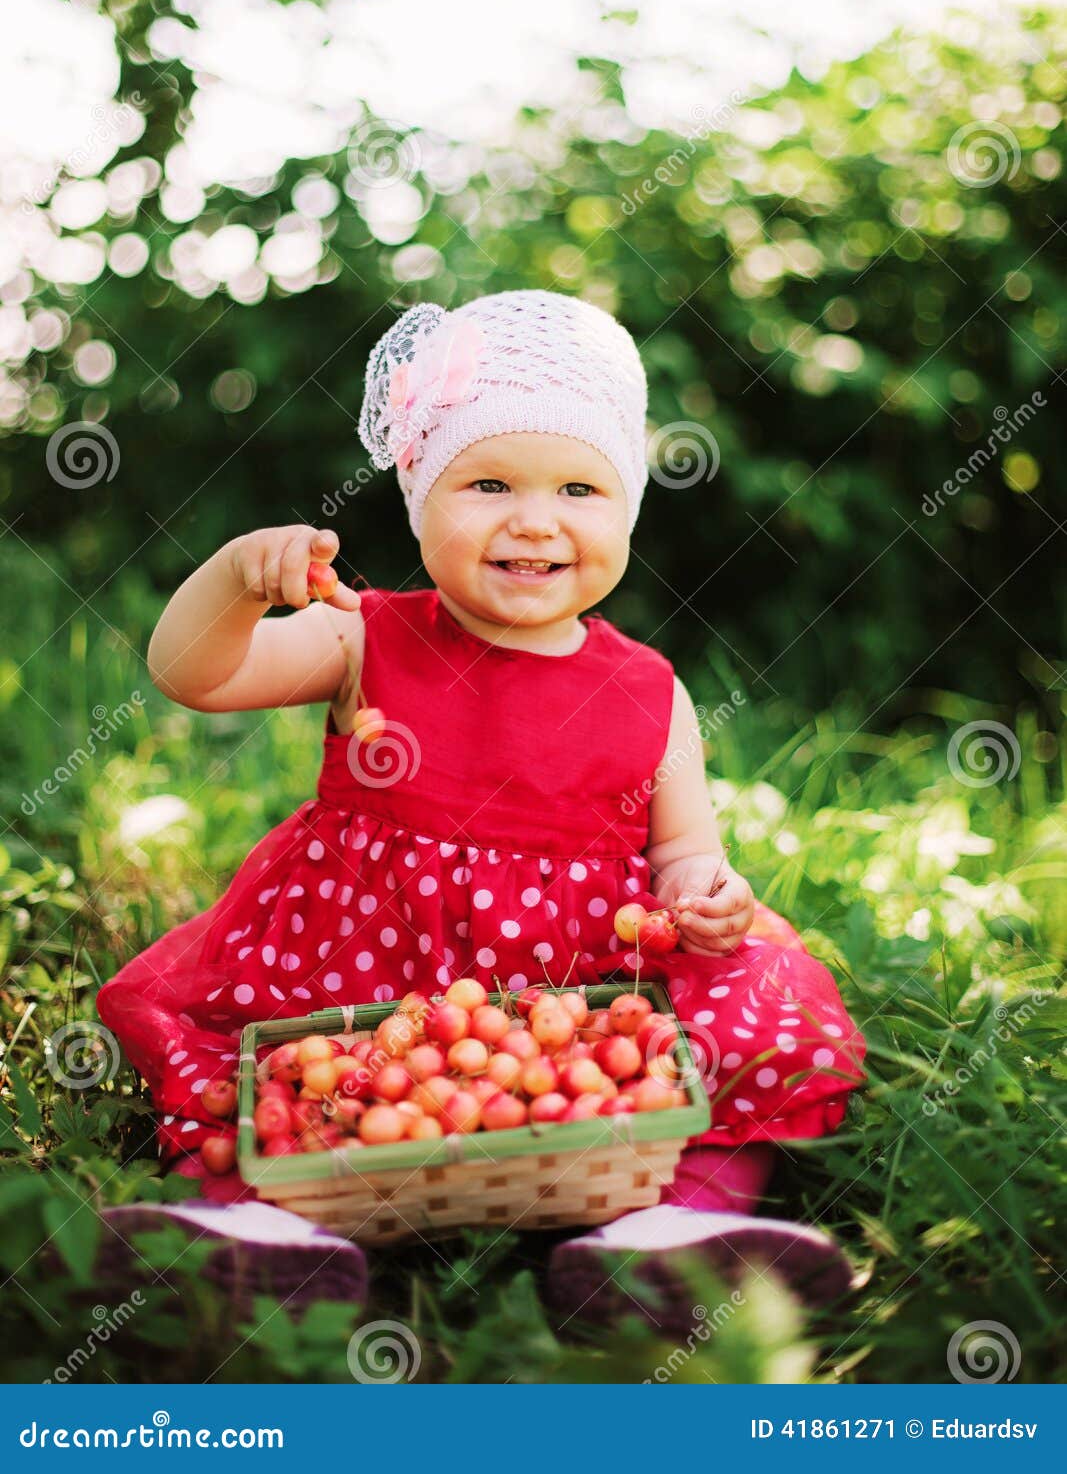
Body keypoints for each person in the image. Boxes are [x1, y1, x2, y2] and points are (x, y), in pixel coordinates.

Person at [97, 289, 865, 1332]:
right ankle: (265, 1231)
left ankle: (675, 1226)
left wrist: (704, 898)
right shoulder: (361, 636)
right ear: (419, 489)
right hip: (365, 980)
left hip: (579, 1002)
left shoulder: (650, 690)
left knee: (762, 999)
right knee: (266, 1062)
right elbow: (194, 672)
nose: (534, 518)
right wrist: (237, 579)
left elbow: (685, 850)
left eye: (581, 487)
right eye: (488, 481)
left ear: (626, 508)